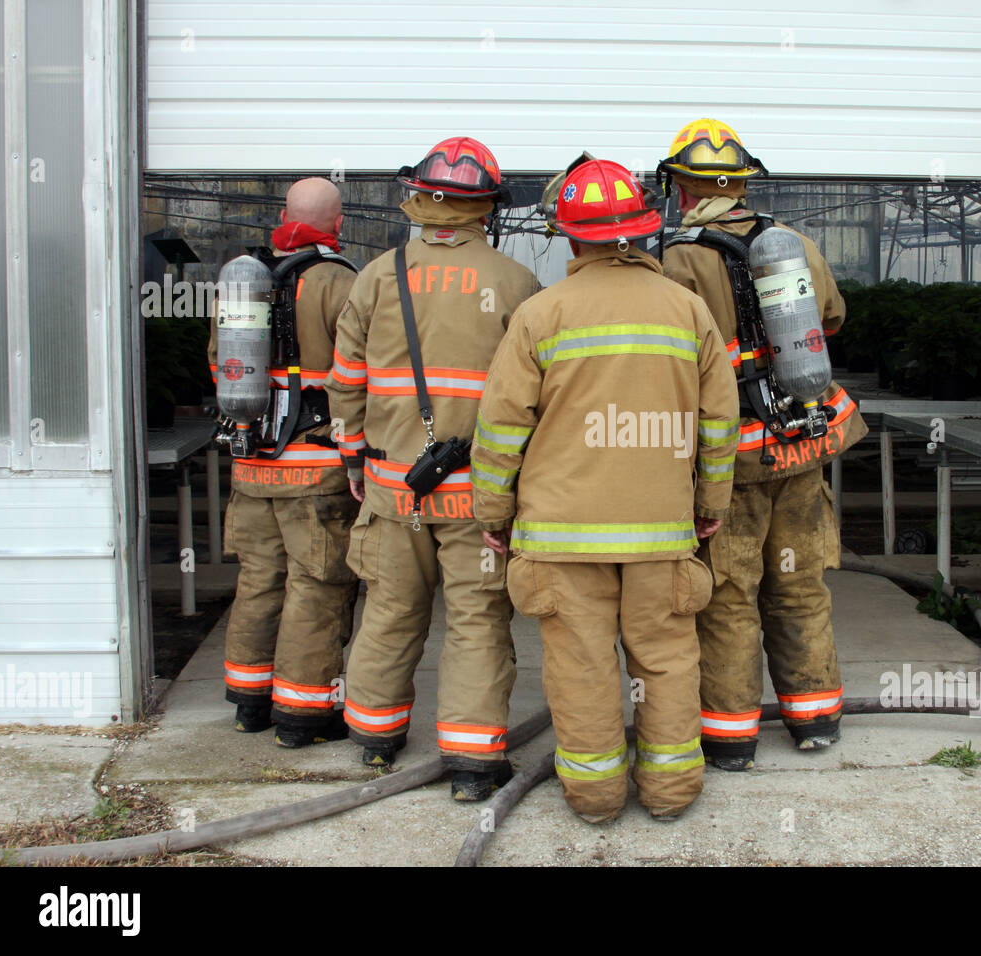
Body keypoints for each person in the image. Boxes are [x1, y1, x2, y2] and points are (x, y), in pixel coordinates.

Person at [472, 157, 740, 823]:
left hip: (561, 539)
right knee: (668, 662)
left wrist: (493, 510)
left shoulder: (539, 315)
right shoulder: (690, 312)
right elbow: (719, 426)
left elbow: (502, 427)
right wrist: (710, 505)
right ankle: (672, 792)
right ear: (646, 232)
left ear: (570, 237)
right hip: (662, 532)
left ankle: (594, 798)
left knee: (582, 668)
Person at [325, 137, 540, 801]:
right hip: (478, 498)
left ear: (418, 198)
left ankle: (375, 737)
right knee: (476, 621)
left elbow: (346, 379)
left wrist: (353, 454)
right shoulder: (514, 283)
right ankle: (473, 767)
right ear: (487, 208)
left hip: (396, 489)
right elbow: (535, 394)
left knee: (389, 608)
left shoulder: (376, 276)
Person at [657, 119, 869, 770]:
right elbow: (829, 317)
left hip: (732, 461)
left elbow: (665, 366)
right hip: (803, 441)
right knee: (800, 584)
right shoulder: (794, 243)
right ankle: (815, 721)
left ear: (684, 188)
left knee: (727, 596)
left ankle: (730, 738)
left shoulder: (675, 259)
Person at [211, 177, 361, 747]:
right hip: (315, 470)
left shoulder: (240, 284)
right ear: (339, 223)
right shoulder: (340, 283)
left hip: (251, 467)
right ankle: (302, 716)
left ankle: (249, 702)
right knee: (316, 585)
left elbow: (217, 365)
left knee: (258, 581)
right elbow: (356, 374)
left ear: (282, 216)